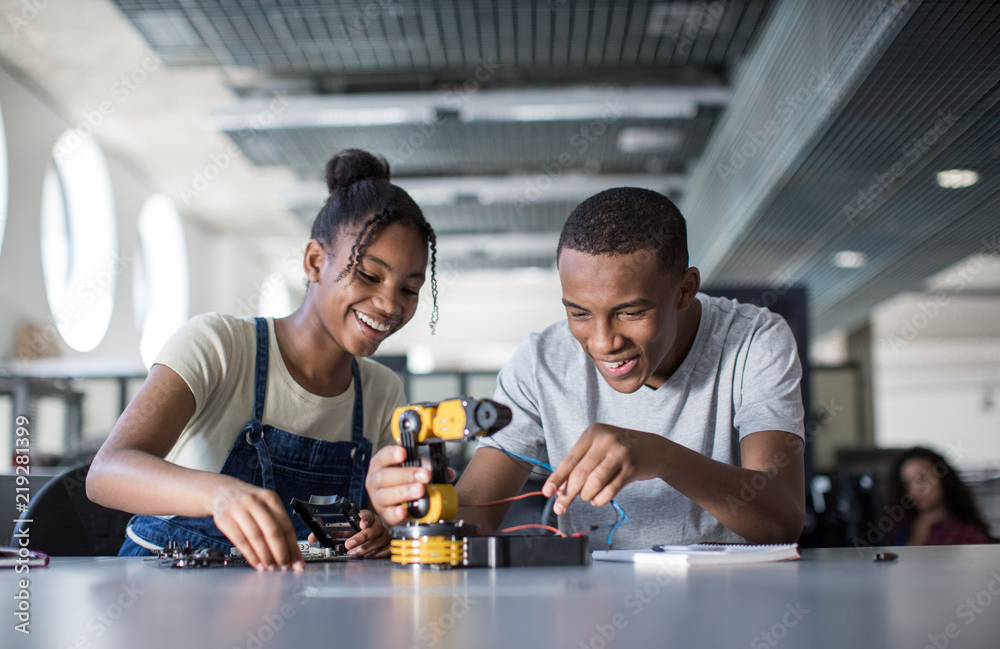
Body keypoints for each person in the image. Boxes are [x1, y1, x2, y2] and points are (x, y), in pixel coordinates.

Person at [367, 187, 806, 548]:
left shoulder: (754, 341)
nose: (602, 343)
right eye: (578, 314)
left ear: (685, 289)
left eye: (631, 313)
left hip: (732, 609)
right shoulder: (541, 363)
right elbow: (476, 513)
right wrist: (415, 507)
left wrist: (663, 456)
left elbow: (783, 518)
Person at [87, 148, 438, 570]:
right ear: (314, 261)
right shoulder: (219, 345)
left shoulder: (383, 391)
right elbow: (106, 472)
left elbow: (382, 512)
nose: (388, 304)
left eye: (409, 289)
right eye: (368, 275)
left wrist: (377, 529)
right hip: (163, 598)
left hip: (292, 606)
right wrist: (220, 494)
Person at [888, 446, 994, 546]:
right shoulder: (900, 525)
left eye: (922, 479)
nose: (914, 490)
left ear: (943, 478)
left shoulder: (965, 533)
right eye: (907, 484)